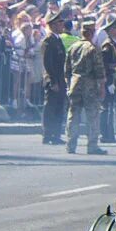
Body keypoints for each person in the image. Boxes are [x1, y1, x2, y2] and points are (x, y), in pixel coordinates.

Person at [64, 18, 107, 155]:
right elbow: (99, 69)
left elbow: (67, 69)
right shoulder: (93, 48)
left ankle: (70, 145)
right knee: (92, 115)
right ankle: (92, 145)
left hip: (75, 83)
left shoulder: (73, 47)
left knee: (73, 115)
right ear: (91, 32)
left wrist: (69, 84)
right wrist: (102, 86)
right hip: (90, 85)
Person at [41, 13, 73, 145]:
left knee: (59, 107)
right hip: (53, 80)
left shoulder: (58, 40)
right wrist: (52, 81)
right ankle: (47, 134)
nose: (62, 25)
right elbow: (47, 64)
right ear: (53, 25)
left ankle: (55, 134)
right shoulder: (48, 41)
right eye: (59, 23)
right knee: (50, 107)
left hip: (60, 79)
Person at [96, 17, 116, 144]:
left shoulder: (114, 44)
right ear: (111, 30)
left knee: (110, 107)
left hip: (114, 80)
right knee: (106, 108)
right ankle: (105, 134)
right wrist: (108, 83)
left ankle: (110, 134)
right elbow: (104, 65)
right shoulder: (107, 46)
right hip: (109, 80)